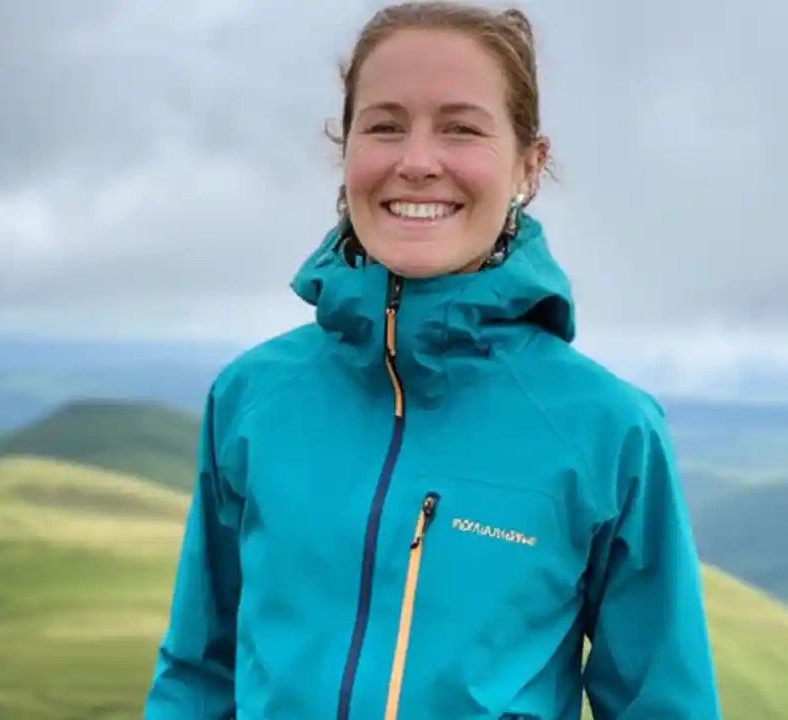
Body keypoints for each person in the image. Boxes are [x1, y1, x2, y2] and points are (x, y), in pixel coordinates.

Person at [143, 2, 722, 718]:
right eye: (384, 126)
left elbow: (663, 706)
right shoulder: (251, 399)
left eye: (461, 128)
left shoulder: (609, 432)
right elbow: (199, 676)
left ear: (527, 166)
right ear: (346, 148)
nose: (416, 162)